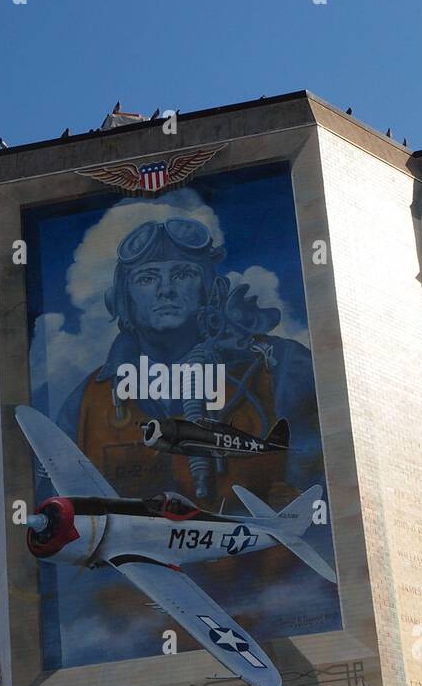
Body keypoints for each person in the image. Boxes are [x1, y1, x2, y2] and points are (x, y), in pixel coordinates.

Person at [57, 216, 321, 507]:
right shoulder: (87, 402)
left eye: (183, 274)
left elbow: (324, 485)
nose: (165, 290)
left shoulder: (281, 367)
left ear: (213, 290)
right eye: (147, 278)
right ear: (122, 299)